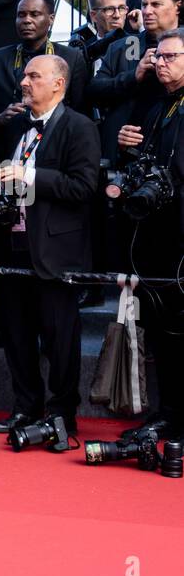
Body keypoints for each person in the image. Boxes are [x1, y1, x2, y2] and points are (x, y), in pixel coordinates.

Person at [0, 55, 99, 437]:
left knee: (60, 338)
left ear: (59, 83)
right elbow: (11, 173)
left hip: (55, 253)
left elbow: (83, 188)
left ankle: (62, 415)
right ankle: (25, 408)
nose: (24, 81)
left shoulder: (79, 127)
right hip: (12, 245)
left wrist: (29, 175)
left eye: (35, 76)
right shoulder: (17, 125)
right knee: (16, 334)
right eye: (24, 74)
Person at [106, 28, 184, 441]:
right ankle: (168, 413)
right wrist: (126, 144)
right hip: (154, 237)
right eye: (159, 57)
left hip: (182, 236)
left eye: (171, 55)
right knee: (162, 334)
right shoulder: (155, 106)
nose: (161, 63)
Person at [88, 0, 182, 161]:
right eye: (144, 4)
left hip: (172, 152)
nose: (147, 11)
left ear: (178, 6)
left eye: (156, 4)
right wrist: (133, 76)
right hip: (121, 150)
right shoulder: (125, 46)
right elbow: (93, 90)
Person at [0, 0, 87, 146]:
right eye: (21, 15)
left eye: (35, 14)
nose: (27, 20)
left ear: (51, 18)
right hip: (6, 146)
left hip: (55, 145)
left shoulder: (72, 58)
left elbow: (81, 110)